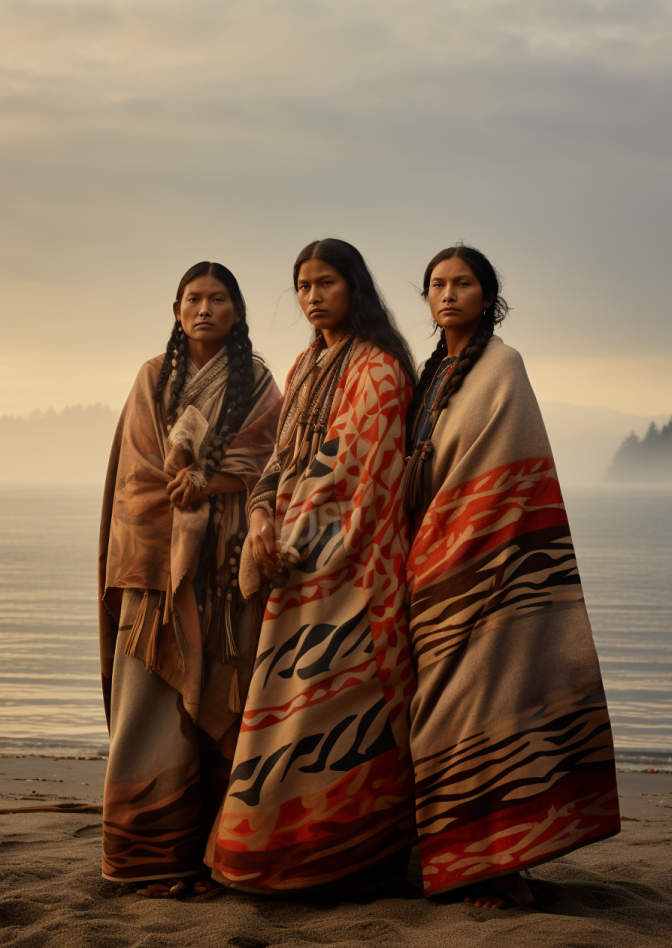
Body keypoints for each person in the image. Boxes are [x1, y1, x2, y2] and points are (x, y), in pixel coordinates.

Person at [405, 245, 620, 908]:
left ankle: (503, 866)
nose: (448, 295)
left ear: (486, 293)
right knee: (436, 719)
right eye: (438, 284)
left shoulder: (503, 368)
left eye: (462, 283)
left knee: (490, 710)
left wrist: (458, 541)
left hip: (493, 571)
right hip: (428, 570)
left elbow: (508, 476)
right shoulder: (431, 371)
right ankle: (456, 857)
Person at [205, 238, 417, 893]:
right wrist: (262, 518)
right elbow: (281, 461)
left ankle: (353, 857)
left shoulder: (381, 369)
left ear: (354, 286)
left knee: (338, 711)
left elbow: (359, 474)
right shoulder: (303, 366)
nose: (312, 296)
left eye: (325, 282)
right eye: (302, 285)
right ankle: (276, 853)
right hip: (292, 564)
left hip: (350, 571)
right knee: (283, 711)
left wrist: (292, 535)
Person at [99, 261, 282, 892]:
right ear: (177, 310)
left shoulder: (258, 382)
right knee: (150, 704)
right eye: (193, 298)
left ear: (238, 310)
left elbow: (270, 459)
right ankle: (148, 858)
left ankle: (215, 857)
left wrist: (209, 481)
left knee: (226, 700)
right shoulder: (153, 378)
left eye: (219, 299)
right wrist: (184, 490)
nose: (205, 309)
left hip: (228, 569)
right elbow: (137, 473)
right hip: (155, 569)